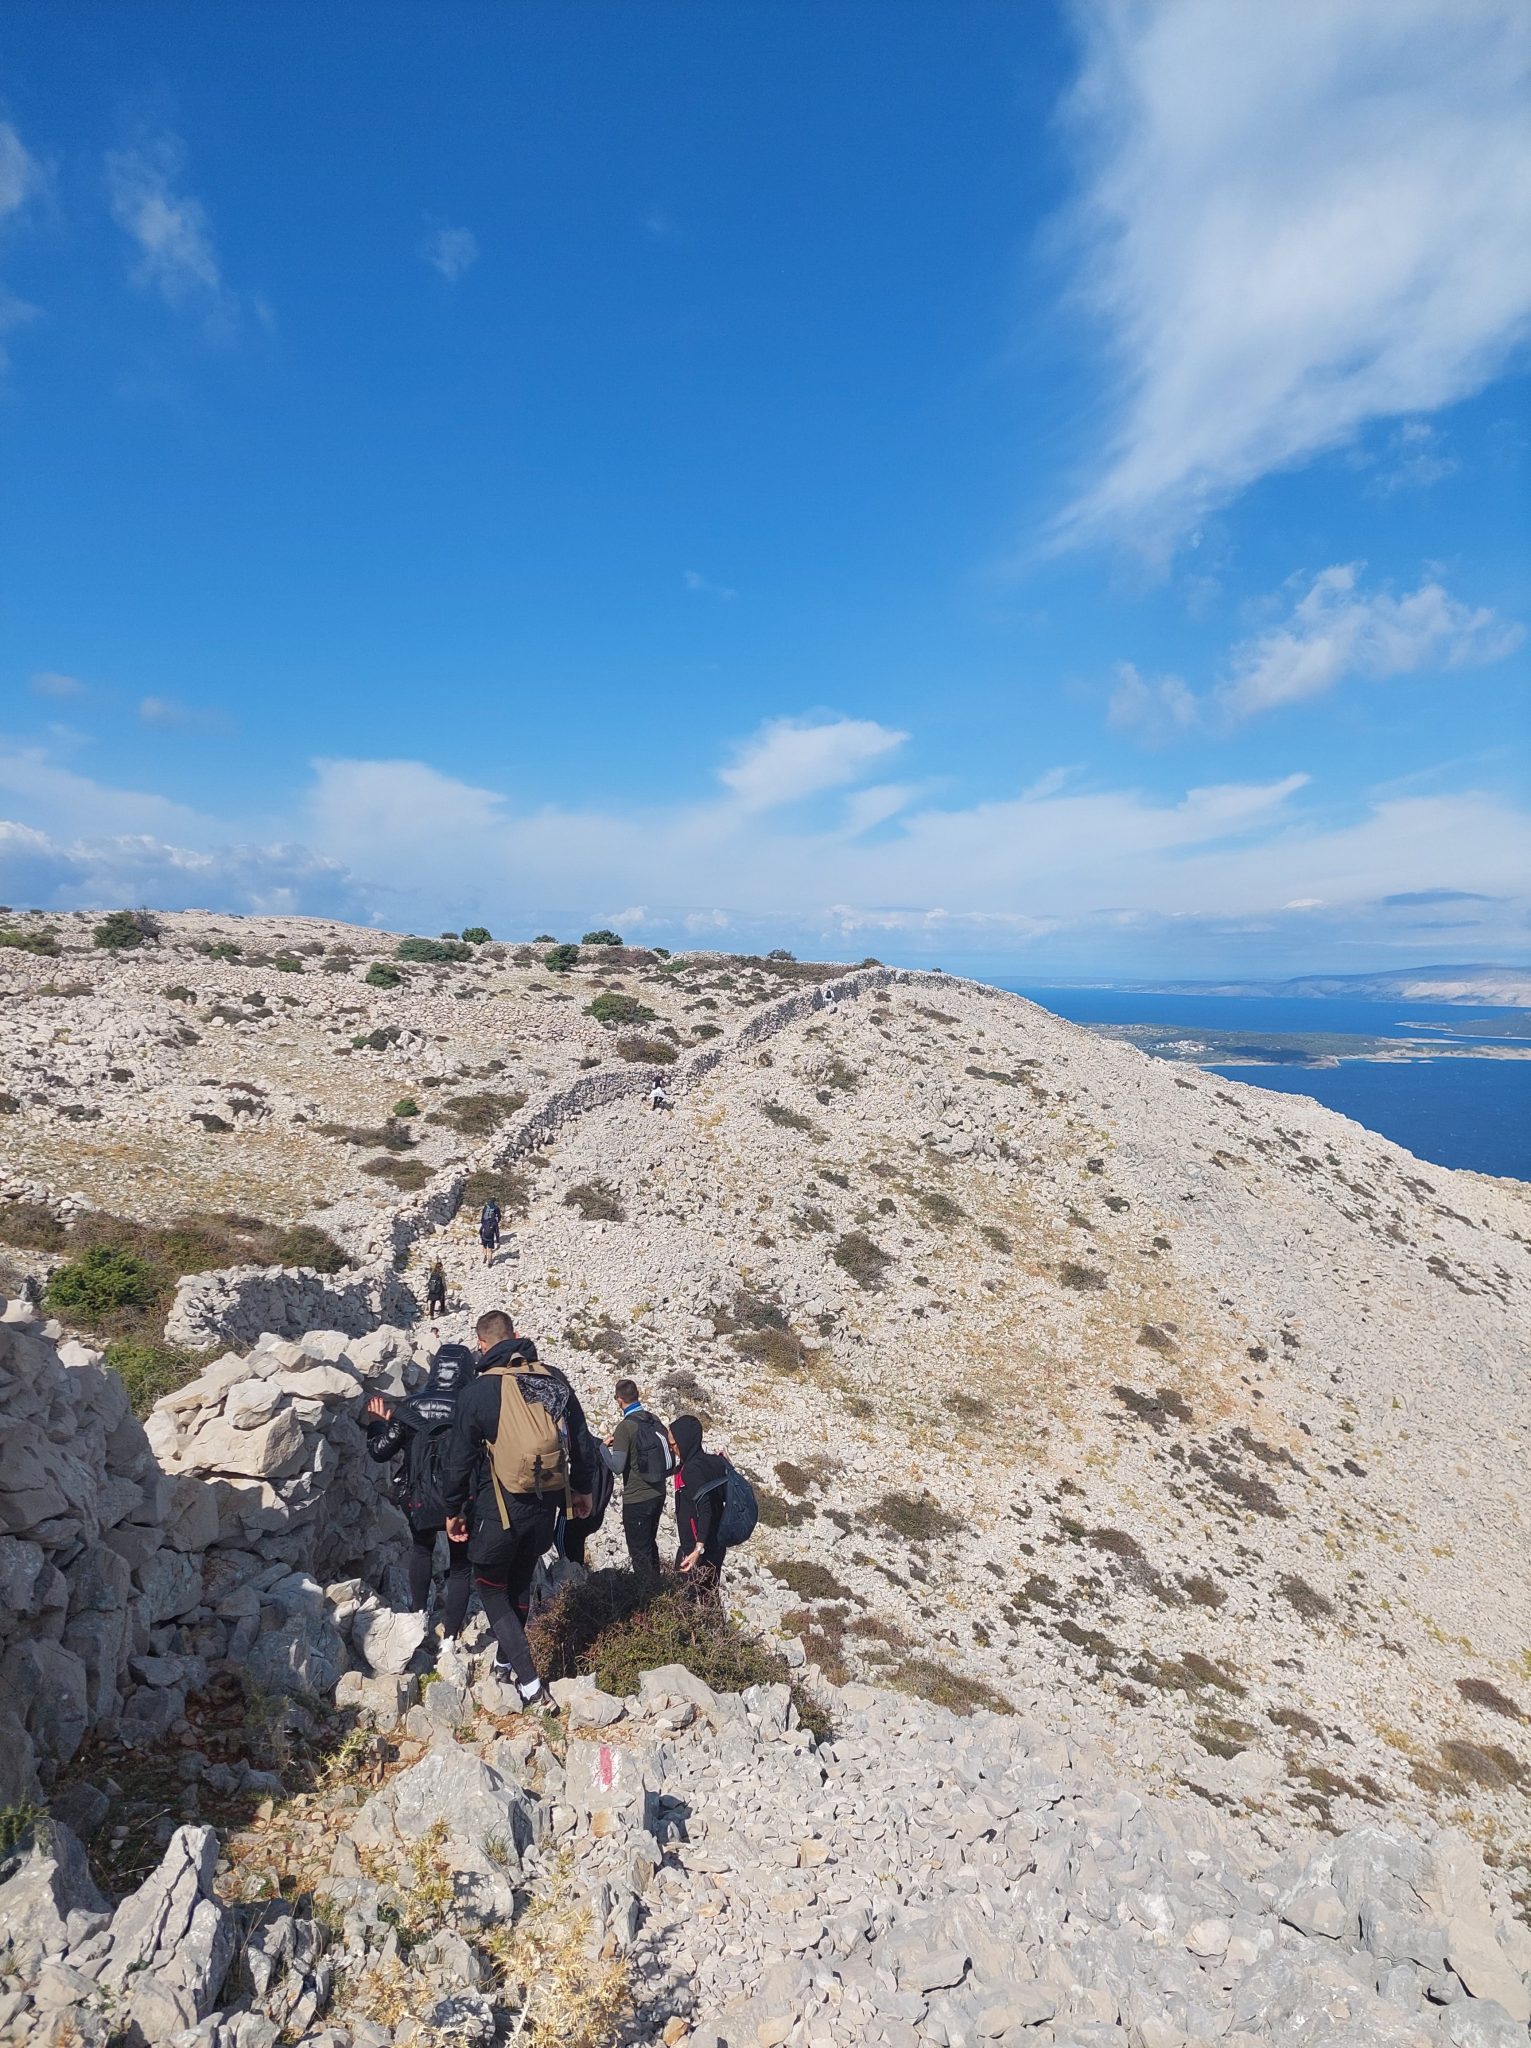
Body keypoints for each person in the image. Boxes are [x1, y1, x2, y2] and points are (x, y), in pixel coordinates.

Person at [444, 1310, 595, 1710]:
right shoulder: (552, 1379)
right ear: (517, 1335)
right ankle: (502, 1663)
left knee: (490, 1588)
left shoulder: (477, 1393)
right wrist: (582, 1490)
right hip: (545, 1508)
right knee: (521, 1581)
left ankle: (531, 1687)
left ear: (482, 1345)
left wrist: (453, 1509)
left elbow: (457, 1461)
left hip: (500, 1511)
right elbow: (580, 1439)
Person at [364, 1343, 477, 1642]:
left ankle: (417, 1617)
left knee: (422, 1550)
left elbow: (380, 1452)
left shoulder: (410, 1407)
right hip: (463, 1501)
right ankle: (451, 1635)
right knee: (461, 1565)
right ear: (466, 1371)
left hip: (419, 1498)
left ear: (435, 1369)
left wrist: (378, 1424)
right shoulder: (472, 1407)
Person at [601, 1379, 673, 1592]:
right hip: (658, 1494)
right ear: (638, 1394)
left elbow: (617, 1465)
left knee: (639, 1554)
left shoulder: (625, 1427)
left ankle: (646, 1602)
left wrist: (602, 1448)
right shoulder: (653, 1419)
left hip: (637, 1499)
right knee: (650, 1546)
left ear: (619, 1400)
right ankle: (658, 1592)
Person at [670, 1413, 731, 1592]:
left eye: (673, 1443)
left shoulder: (691, 1471)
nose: (671, 1447)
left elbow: (705, 1509)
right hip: (717, 1543)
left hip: (695, 1545)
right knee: (708, 1595)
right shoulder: (715, 1461)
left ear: (684, 1441)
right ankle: (713, 1621)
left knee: (682, 1594)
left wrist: (698, 1549)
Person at [478, 1199, 501, 1268]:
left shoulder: (486, 1207)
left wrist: (481, 1236)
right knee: (490, 1250)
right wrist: (498, 1241)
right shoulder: (496, 1208)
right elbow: (497, 1232)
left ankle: (485, 1256)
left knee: (484, 1247)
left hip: (484, 1235)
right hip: (490, 1237)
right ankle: (490, 1262)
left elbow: (480, 1229)